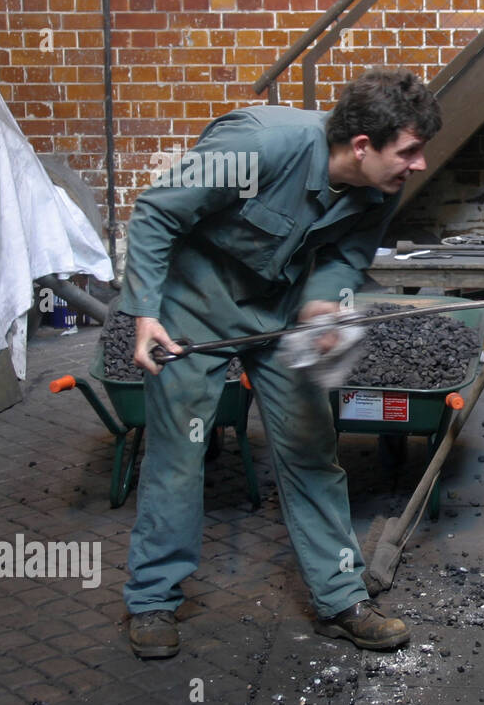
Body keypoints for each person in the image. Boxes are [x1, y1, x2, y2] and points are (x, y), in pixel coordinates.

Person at [118, 68, 441, 659]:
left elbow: (347, 254)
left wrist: (324, 302)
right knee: (178, 456)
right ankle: (152, 600)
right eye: (410, 151)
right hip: (196, 307)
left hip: (281, 312)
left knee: (313, 451)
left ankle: (341, 597)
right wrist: (143, 310)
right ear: (363, 145)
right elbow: (158, 212)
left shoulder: (380, 186)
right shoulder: (258, 145)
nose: (418, 164)